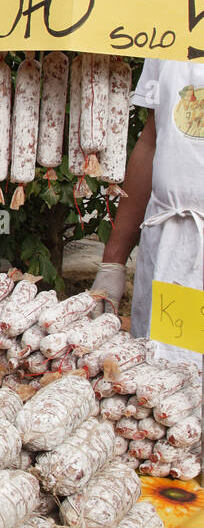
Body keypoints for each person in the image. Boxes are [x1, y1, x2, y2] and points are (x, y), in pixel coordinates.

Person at [94, 59, 204, 367]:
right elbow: (151, 140)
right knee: (169, 380)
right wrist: (113, 262)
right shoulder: (171, 36)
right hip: (175, 251)